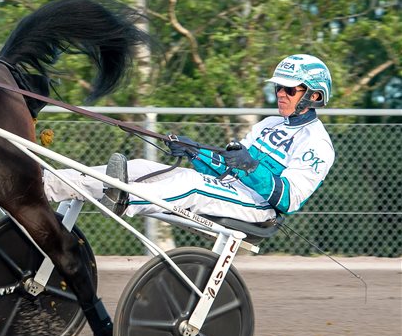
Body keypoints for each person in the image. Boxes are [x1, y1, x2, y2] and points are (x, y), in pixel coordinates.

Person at [43, 54, 336, 224]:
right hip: (230, 188)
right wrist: (194, 151)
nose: (281, 94)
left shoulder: (317, 143)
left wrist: (251, 167)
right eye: (278, 88)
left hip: (257, 207)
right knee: (142, 166)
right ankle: (46, 184)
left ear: (314, 95)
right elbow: (227, 168)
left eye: (289, 90)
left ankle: (125, 198)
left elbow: (289, 200)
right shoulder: (268, 123)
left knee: (190, 183)